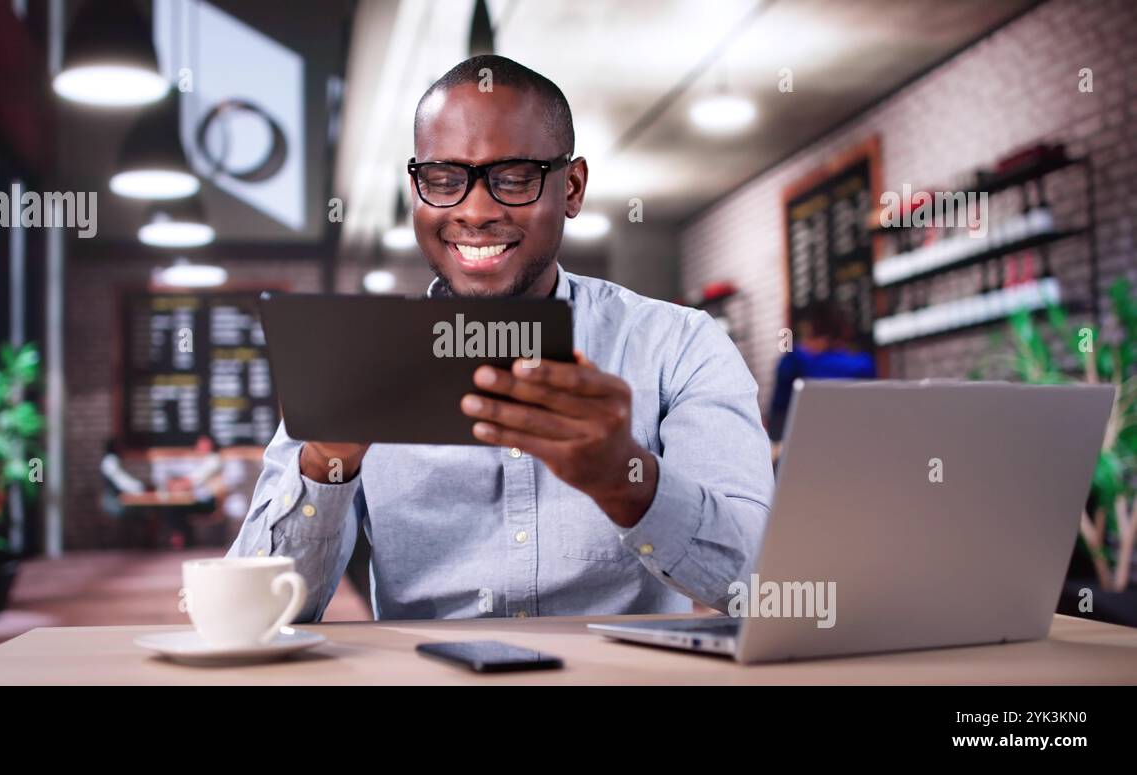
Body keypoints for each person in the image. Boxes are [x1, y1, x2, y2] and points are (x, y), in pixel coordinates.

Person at [228, 55, 774, 621]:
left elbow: (753, 584)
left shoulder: (678, 345)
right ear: (416, 191)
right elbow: (256, 616)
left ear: (572, 188)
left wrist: (627, 482)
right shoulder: (357, 360)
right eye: (443, 180)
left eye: (513, 179)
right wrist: (323, 465)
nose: (475, 211)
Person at [766, 301, 877, 458]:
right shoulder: (863, 363)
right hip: (855, 446)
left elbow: (777, 411)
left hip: (801, 448)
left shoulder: (795, 361)